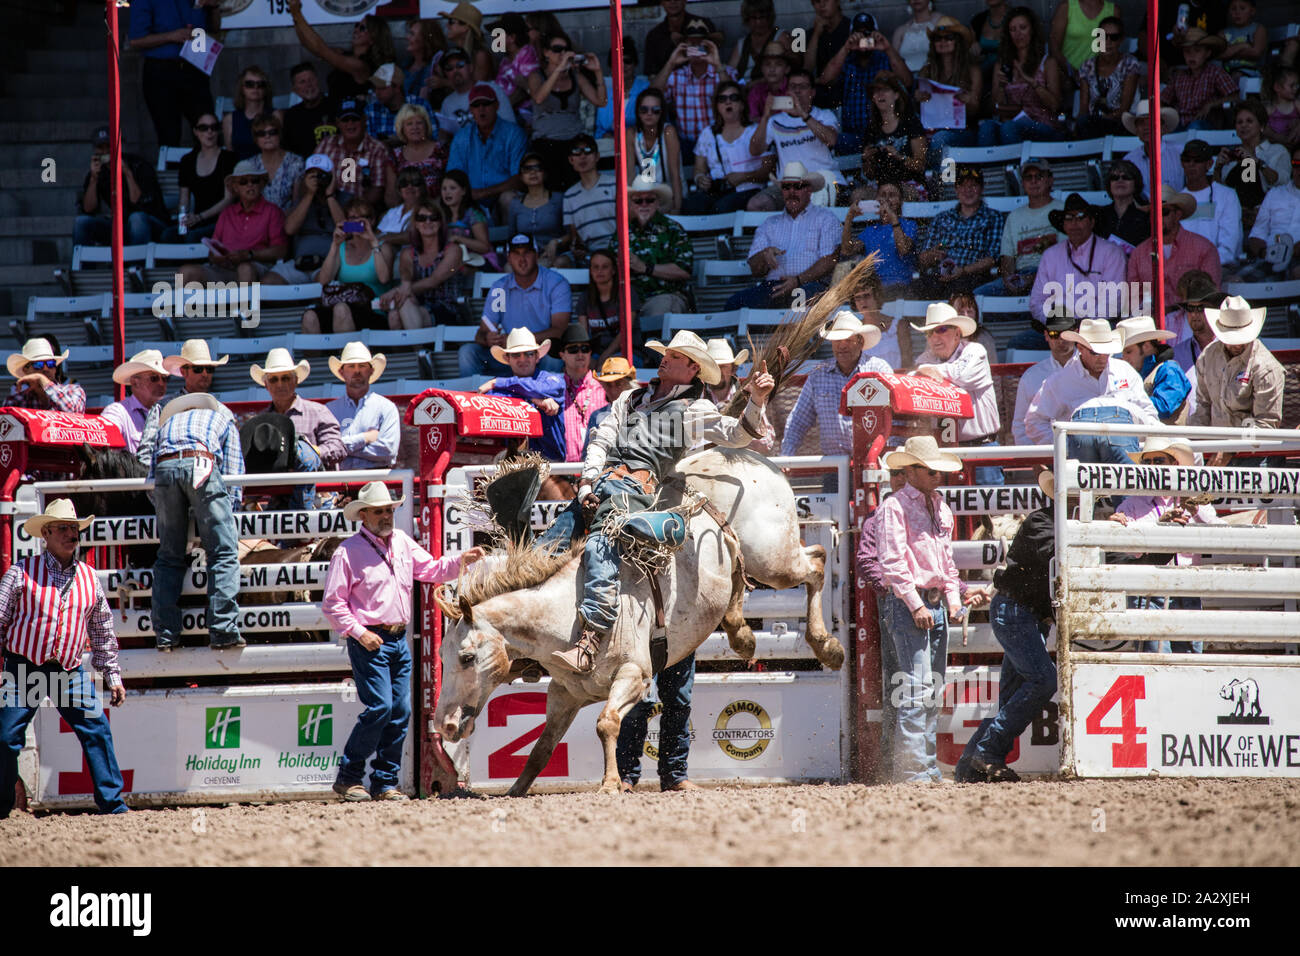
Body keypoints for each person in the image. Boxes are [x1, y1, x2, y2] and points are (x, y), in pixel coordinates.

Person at [546, 330, 775, 674]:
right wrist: (588, 481)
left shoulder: (695, 408)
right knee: (550, 542)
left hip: (637, 490)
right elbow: (602, 437)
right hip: (603, 482)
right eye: (666, 353)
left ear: (693, 369)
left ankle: (591, 638)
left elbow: (737, 435)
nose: (665, 358)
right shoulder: (631, 398)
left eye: (675, 356)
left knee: (600, 545)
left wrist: (756, 400)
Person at [323, 481, 484, 800]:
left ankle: (384, 782)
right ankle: (349, 776)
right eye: (379, 511)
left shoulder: (401, 543)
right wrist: (360, 632)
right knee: (382, 707)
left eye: (389, 510)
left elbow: (432, 569)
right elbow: (333, 603)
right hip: (370, 639)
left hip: (396, 640)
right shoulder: (347, 552)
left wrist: (461, 562)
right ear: (364, 515)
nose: (386, 516)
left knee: (399, 711)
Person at [0, 499, 129, 818]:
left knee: (96, 728)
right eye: (64, 528)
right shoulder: (21, 572)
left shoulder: (88, 577)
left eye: (74, 528)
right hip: (24, 668)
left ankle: (113, 803)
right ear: (46, 533)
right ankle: (1, 806)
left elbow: (102, 630)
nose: (72, 534)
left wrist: (112, 675)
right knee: (5, 737)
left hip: (68, 670)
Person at [876, 436, 987, 783]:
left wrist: (954, 602)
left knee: (929, 690)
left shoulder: (940, 506)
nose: (938, 475)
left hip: (934, 605)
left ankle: (922, 768)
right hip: (912, 605)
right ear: (911, 471)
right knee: (915, 690)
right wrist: (915, 603)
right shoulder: (893, 507)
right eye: (931, 469)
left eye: (938, 470)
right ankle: (913, 772)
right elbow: (892, 563)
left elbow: (947, 564)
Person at [954, 469, 1060, 783]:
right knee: (1044, 680)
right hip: (1017, 612)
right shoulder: (1042, 523)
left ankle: (969, 768)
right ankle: (986, 751)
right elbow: (1056, 553)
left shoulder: (1053, 524)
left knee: (1015, 693)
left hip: (1024, 615)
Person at [148, 392, 245, 652]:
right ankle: (223, 629)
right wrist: (227, 513)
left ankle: (165, 634)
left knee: (169, 556)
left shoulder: (166, 425)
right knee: (223, 552)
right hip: (201, 463)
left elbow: (150, 480)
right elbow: (234, 473)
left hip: (165, 470)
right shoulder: (221, 417)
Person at [1109, 438, 1218, 654]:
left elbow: (1217, 532)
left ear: (1174, 465)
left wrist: (1195, 512)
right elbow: (1128, 550)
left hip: (1186, 584)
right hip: (1149, 587)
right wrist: (1159, 525)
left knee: (1191, 658)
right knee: (1156, 659)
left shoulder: (1194, 499)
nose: (1152, 468)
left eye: (1158, 460)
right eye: (1146, 463)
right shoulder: (1131, 503)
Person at [1024, 318, 1159, 462]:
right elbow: (1035, 421)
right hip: (1095, 455)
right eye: (1096, 353)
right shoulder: (1060, 381)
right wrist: (1064, 447)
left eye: (1107, 352)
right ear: (1080, 348)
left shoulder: (1125, 371)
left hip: (1102, 454)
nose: (1102, 358)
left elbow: (1149, 413)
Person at [726, 162, 840, 310]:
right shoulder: (769, 224)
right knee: (734, 303)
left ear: (809, 190)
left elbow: (829, 260)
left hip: (806, 284)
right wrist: (764, 254)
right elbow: (754, 269)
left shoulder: (825, 218)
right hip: (773, 287)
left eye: (797, 187)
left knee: (799, 302)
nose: (791, 192)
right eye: (786, 187)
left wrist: (798, 280)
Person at [911, 303, 1003, 485]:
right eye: (930, 333)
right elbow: (913, 379)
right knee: (949, 511)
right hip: (945, 452)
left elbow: (962, 374)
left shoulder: (975, 351)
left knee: (989, 510)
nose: (935, 337)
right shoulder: (925, 359)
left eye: (941, 329)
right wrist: (927, 372)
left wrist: (929, 372)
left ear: (957, 333)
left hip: (982, 447)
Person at [781, 308, 892, 460]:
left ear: (860, 341)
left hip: (873, 460)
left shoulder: (879, 370)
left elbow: (894, 415)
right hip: (833, 464)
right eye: (837, 340)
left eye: (847, 339)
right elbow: (798, 420)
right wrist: (787, 453)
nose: (842, 345)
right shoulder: (818, 375)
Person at [461, 235, 570, 377]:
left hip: (539, 354)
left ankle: (549, 397)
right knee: (467, 353)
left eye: (527, 253)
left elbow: (559, 330)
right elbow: (480, 334)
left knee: (553, 358)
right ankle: (472, 398)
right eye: (516, 254)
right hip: (508, 357)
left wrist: (518, 342)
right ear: (508, 258)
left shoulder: (555, 284)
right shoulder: (500, 289)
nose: (522, 259)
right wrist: (488, 338)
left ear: (536, 255)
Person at [251, 348, 345, 505]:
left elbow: (338, 447)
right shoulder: (260, 421)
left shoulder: (318, 411)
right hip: (276, 500)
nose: (280, 384)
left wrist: (314, 452)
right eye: (274, 380)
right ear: (266, 385)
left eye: (285, 378)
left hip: (318, 498)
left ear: (295, 381)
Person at [180, 159, 288, 287]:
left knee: (245, 268)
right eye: (243, 182)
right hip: (225, 269)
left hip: (256, 267)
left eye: (254, 180)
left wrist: (250, 255)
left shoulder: (272, 211)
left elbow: (281, 250)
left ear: (261, 184)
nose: (250, 185)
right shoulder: (227, 213)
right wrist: (217, 258)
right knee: (185, 273)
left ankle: (243, 307)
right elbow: (212, 251)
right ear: (235, 188)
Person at [127, 0, 219, 148]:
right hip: (162, 70)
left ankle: (208, 168)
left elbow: (215, 27)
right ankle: (171, 169)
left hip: (195, 67)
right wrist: (170, 36)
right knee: (168, 133)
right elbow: (135, 40)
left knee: (206, 125)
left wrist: (214, 7)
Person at [1189, 295, 1285, 437]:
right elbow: (1203, 406)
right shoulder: (1208, 356)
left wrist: (1229, 450)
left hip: (1253, 453)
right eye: (1231, 339)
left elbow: (1265, 425)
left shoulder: (1266, 368)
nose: (1237, 344)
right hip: (1215, 446)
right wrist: (1194, 445)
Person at [821, 13, 914, 155]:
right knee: (839, 142)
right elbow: (825, 80)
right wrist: (846, 47)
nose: (863, 40)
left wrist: (887, 48)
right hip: (854, 135)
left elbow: (907, 81)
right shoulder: (846, 59)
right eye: (858, 34)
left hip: (885, 134)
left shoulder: (885, 57)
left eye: (867, 34)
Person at [1029, 192, 1127, 325]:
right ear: (1063, 225)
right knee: (1019, 342)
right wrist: (1057, 323)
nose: (1074, 223)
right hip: (1058, 329)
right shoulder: (1050, 255)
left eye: (1081, 217)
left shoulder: (1112, 253)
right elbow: (1037, 301)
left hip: (1098, 328)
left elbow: (1114, 300)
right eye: (1069, 218)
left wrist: (1083, 325)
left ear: (1092, 221)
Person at [749, 69, 842, 208]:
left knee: (819, 202)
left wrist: (803, 115)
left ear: (812, 92)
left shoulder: (824, 115)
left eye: (803, 87)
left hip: (824, 180)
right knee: (756, 204)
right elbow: (755, 150)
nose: (797, 91)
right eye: (793, 87)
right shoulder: (775, 121)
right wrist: (765, 116)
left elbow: (831, 140)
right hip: (787, 186)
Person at [300, 198, 394, 335]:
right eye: (353, 218)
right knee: (310, 317)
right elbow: (323, 280)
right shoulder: (342, 248)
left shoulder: (383, 247)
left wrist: (373, 242)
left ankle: (345, 356)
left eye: (363, 218)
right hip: (342, 306)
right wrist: (335, 245)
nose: (357, 222)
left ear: (372, 221)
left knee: (341, 310)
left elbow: (384, 278)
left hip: (373, 311)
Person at [288, 0, 398, 112]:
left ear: (373, 38)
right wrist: (294, 15)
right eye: (356, 25)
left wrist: (297, 13)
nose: (356, 30)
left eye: (362, 28)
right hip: (336, 118)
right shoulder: (345, 54)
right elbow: (309, 45)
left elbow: (321, 49)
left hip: (352, 122)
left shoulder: (361, 66)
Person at [528, 32, 605, 191]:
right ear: (546, 52)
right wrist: (558, 70)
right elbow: (539, 98)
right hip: (546, 142)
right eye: (557, 49)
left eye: (565, 49)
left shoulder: (575, 76)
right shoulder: (536, 76)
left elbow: (600, 101)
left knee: (576, 187)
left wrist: (597, 72)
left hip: (573, 143)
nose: (562, 54)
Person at [1127, 185, 1221, 312]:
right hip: (1153, 323)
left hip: (1191, 321)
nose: (1158, 218)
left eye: (1164, 212)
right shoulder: (1138, 254)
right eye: (1153, 213)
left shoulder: (1204, 248)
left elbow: (1211, 297)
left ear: (1178, 214)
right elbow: (1133, 300)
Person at [654, 19, 735, 165]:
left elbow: (735, 99)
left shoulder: (724, 72)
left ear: (710, 46)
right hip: (686, 145)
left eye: (701, 44)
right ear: (684, 46)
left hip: (719, 141)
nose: (696, 48)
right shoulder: (676, 75)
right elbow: (653, 96)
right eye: (691, 44)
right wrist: (671, 63)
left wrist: (717, 63)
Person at [976, 157, 1061, 297]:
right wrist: (1009, 280)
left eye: (1039, 176)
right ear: (1022, 183)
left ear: (1050, 180)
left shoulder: (1061, 209)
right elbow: (1007, 258)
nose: (1033, 181)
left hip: (1052, 276)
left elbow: (1066, 257)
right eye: (1028, 177)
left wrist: (1033, 278)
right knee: (976, 296)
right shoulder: (1014, 216)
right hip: (1020, 275)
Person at [479, 328, 567, 463]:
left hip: (552, 463)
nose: (523, 359)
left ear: (537, 357)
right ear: (508, 359)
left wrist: (499, 382)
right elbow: (493, 398)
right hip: (514, 461)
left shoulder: (554, 381)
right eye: (516, 355)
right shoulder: (498, 388)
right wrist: (534, 400)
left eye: (529, 354)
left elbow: (542, 388)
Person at [979, 6, 1064, 145]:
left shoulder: (1048, 63)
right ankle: (991, 166)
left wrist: (1032, 82)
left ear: (1032, 30)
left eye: (1023, 27)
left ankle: (1015, 165)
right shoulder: (1002, 65)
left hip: (1041, 124)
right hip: (1011, 122)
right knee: (986, 128)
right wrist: (1000, 87)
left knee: (1009, 128)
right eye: (1013, 30)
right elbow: (993, 107)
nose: (1018, 34)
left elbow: (1055, 105)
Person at [915, 166, 1004, 297]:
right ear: (956, 189)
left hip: (972, 276)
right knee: (918, 288)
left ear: (982, 189)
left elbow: (992, 259)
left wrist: (962, 271)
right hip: (939, 275)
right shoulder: (941, 218)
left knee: (958, 291)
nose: (968, 190)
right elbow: (922, 259)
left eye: (973, 185)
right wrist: (932, 255)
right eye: (962, 185)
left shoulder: (993, 217)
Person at [75, 126, 168, 248]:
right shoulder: (98, 172)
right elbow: (88, 209)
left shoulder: (138, 165)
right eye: (100, 147)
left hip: (151, 222)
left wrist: (126, 172)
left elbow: (138, 203)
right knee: (81, 222)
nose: (104, 152)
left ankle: (136, 265)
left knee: (136, 218)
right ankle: (84, 266)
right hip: (120, 225)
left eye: (108, 146)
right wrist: (93, 179)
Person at [446, 84, 527, 221]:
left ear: (497, 105)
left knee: (509, 199)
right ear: (471, 110)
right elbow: (453, 177)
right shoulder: (462, 137)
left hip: (501, 196)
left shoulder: (513, 133)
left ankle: (513, 242)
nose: (481, 109)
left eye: (486, 104)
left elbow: (519, 179)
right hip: (472, 199)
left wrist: (483, 193)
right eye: (476, 105)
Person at [381, 199, 465, 329]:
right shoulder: (408, 253)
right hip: (417, 306)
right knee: (394, 315)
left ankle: (418, 348)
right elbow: (406, 278)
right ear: (415, 224)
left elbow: (433, 281)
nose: (428, 222)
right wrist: (403, 290)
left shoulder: (453, 250)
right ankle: (416, 349)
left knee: (405, 305)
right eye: (422, 218)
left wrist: (396, 291)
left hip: (448, 309)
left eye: (433, 218)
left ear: (441, 222)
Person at [620, 174, 694, 319]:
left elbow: (684, 271)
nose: (644, 204)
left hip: (664, 297)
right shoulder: (621, 233)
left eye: (649, 200)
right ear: (631, 204)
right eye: (638, 200)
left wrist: (645, 267)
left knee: (663, 308)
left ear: (658, 203)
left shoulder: (673, 230)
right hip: (630, 302)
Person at [1216, 101, 1289, 235]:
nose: (1244, 125)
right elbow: (1220, 192)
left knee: (1248, 164)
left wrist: (1256, 161)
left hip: (1268, 215)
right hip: (1236, 216)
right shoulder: (1232, 156)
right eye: (1239, 122)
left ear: (1261, 126)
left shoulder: (1277, 151)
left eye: (1249, 121)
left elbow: (1281, 182)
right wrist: (1218, 168)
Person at [270, 154, 345, 285]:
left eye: (322, 174)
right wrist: (309, 194)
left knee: (323, 285)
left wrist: (330, 196)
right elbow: (289, 229)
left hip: (329, 263)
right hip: (300, 263)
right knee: (268, 283)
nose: (317, 179)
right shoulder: (301, 202)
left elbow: (347, 229)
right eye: (312, 175)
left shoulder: (346, 198)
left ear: (332, 175)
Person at [326, 342, 400, 473]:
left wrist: (343, 448)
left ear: (371, 371)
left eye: (362, 366)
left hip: (376, 482)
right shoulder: (329, 411)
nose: (357, 371)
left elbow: (388, 450)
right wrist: (365, 438)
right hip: (339, 484)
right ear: (341, 372)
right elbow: (326, 451)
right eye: (351, 366)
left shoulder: (386, 407)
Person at [162, 113, 236, 243]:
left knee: (193, 237)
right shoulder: (187, 161)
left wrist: (199, 217)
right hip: (198, 220)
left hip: (223, 221)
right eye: (204, 128)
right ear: (196, 131)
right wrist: (182, 226)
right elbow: (184, 200)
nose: (209, 132)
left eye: (214, 127)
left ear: (218, 131)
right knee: (167, 235)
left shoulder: (228, 159)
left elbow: (228, 200)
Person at [315, 98, 397, 211]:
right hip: (325, 209)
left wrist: (352, 212)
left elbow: (377, 190)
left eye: (355, 119)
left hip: (359, 213)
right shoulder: (326, 144)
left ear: (364, 120)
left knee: (353, 227)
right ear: (338, 123)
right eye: (345, 120)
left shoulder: (378, 149)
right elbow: (311, 179)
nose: (350, 124)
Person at [915, 16, 980, 158]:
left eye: (949, 38)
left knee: (940, 139)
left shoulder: (972, 70)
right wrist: (918, 98)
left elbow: (976, 108)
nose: (943, 42)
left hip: (963, 131)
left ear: (958, 41)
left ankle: (943, 179)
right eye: (938, 39)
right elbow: (919, 109)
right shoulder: (926, 71)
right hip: (932, 128)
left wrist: (967, 100)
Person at [840, 182, 917, 299]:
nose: (886, 200)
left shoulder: (909, 225)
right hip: (873, 290)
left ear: (900, 201)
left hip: (900, 288)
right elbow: (846, 251)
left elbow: (903, 249)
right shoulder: (870, 231)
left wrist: (893, 218)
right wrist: (849, 218)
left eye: (891, 195)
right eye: (883, 195)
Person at [551, 134, 617, 267]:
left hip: (616, 249)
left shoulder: (614, 184)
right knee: (561, 263)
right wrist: (578, 248)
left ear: (597, 156)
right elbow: (574, 235)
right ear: (571, 160)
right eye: (576, 152)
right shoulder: (570, 195)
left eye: (588, 151)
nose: (582, 156)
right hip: (589, 253)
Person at [859, 72, 927, 199]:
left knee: (899, 196)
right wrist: (867, 159)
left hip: (908, 183)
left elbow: (920, 165)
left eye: (885, 89)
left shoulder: (911, 123)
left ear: (896, 95)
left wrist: (899, 156)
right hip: (880, 185)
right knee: (858, 195)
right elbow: (869, 174)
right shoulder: (871, 129)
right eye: (876, 90)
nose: (880, 94)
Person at [1011, 314, 1077, 445]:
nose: (1060, 340)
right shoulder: (1031, 376)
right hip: (1045, 456)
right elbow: (1020, 425)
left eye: (1066, 334)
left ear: (1076, 334)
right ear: (1046, 336)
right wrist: (1034, 459)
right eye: (1054, 334)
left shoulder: (1091, 369)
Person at [1178, 139, 1243, 265]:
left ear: (1209, 164)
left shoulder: (1227, 195)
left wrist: (1203, 264)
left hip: (1219, 266)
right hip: (1183, 268)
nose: (1191, 164)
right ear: (1182, 163)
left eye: (1197, 160)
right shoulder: (1177, 199)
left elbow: (1229, 245)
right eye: (1187, 160)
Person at [1240, 145, 1300, 281]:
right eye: (1297, 164)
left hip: (1298, 260)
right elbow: (1257, 235)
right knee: (1236, 281)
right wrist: (1263, 252)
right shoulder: (1275, 194)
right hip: (1270, 257)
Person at [1117, 316, 1191, 425]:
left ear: (1146, 347)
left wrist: (1125, 400)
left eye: (1128, 352)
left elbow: (1164, 407)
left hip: (1171, 440)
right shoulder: (1133, 373)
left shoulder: (1169, 370)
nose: (1124, 358)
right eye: (1122, 353)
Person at [1075, 16, 1141, 138]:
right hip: (1091, 124)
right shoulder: (1087, 66)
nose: (1108, 41)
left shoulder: (1130, 63)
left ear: (1121, 40)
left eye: (1114, 37)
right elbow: (1083, 108)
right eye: (1103, 36)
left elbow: (1124, 110)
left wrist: (1102, 118)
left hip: (1120, 123)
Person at [706, 339, 776, 452]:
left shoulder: (749, 396)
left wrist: (739, 433)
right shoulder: (698, 398)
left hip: (739, 465)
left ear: (734, 369)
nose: (717, 372)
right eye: (712, 366)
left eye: (722, 366)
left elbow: (766, 443)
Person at [436, 47, 516, 140]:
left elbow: (510, 126)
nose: (455, 70)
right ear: (445, 74)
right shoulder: (447, 103)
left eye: (460, 65)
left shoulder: (491, 88)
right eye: (449, 68)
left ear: (470, 67)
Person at [1165, 29, 1237, 130]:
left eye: (1197, 51)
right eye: (1187, 51)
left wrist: (1212, 105)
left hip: (1205, 124)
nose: (1191, 56)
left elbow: (1234, 97)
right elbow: (1163, 100)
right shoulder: (1179, 76)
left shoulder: (1215, 72)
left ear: (1207, 53)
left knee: (1195, 127)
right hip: (1181, 123)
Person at [577, 250, 640, 367]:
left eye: (605, 267)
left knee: (609, 367)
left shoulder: (627, 293)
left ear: (614, 270)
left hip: (628, 353)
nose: (599, 271)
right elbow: (583, 335)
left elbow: (625, 332)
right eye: (595, 267)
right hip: (597, 353)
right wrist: (586, 357)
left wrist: (605, 356)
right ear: (590, 271)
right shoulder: (585, 297)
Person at [556, 325, 608, 463]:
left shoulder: (605, 388)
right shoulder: (553, 390)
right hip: (562, 473)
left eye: (585, 349)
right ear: (562, 355)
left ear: (590, 353)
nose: (580, 354)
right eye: (573, 349)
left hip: (598, 470)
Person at [627, 87, 683, 213]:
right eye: (644, 109)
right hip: (647, 197)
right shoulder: (631, 133)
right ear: (637, 111)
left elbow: (675, 175)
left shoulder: (668, 132)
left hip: (670, 194)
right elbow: (629, 175)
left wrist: (677, 208)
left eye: (655, 110)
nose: (649, 113)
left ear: (662, 112)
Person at [101, 350, 169, 454]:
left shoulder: (170, 411)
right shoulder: (118, 412)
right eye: (154, 378)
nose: (161, 383)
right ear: (135, 382)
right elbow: (105, 445)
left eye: (164, 379)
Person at [644, 0, 722, 80]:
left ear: (685, 1)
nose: (673, 1)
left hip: (704, 81)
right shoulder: (654, 36)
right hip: (666, 87)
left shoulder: (703, 25)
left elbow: (713, 59)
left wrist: (692, 52)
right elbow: (652, 74)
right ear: (661, 2)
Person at [1120, 98, 1185, 193]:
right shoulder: (1129, 160)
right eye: (1141, 123)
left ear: (1163, 128)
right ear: (1136, 130)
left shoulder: (1180, 153)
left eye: (1151, 122)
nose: (1146, 127)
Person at [5, 337, 85, 413]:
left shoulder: (72, 391)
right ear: (26, 370)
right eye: (38, 364)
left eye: (50, 364)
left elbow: (72, 414)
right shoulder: (16, 401)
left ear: (55, 369)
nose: (46, 369)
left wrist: (42, 379)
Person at [439, 169, 496, 274]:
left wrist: (458, 239)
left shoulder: (473, 214)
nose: (447, 192)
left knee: (455, 271)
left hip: (477, 261)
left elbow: (484, 247)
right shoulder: (439, 215)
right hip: (450, 261)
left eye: (452, 188)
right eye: (444, 189)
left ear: (464, 191)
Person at [222, 66, 282, 162]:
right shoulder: (229, 119)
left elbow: (279, 149)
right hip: (239, 171)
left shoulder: (275, 115)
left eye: (260, 84)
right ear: (242, 88)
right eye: (250, 84)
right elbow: (230, 154)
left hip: (268, 169)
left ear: (266, 89)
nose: (255, 88)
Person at [247, 113, 304, 215]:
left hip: (287, 222)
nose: (267, 136)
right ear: (256, 139)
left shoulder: (296, 162)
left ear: (280, 135)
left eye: (272, 132)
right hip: (256, 222)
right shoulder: (250, 165)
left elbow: (297, 203)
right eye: (261, 133)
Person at [365, 63, 435, 145]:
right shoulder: (371, 110)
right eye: (375, 88)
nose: (377, 92)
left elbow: (433, 136)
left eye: (382, 88)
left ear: (397, 88)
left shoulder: (420, 105)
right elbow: (369, 144)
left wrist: (402, 140)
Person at [508, 153, 565, 253]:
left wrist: (557, 242)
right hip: (525, 256)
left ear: (545, 173)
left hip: (555, 254)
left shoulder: (559, 199)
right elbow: (512, 236)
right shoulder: (515, 204)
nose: (533, 172)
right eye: (527, 169)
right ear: (521, 177)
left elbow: (571, 233)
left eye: (538, 168)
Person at [1047, 0, 1114, 82]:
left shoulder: (1113, 10)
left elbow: (1113, 49)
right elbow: (1053, 47)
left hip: (1097, 78)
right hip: (1067, 76)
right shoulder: (1066, 7)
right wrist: (1072, 73)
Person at [1094, 158, 1150, 254]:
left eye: (1126, 177)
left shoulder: (1146, 216)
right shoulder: (1099, 215)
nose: (1120, 180)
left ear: (1136, 183)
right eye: (1114, 178)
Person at [390, 104, 446, 199]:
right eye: (409, 124)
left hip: (438, 206)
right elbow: (391, 194)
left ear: (426, 125)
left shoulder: (441, 149)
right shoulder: (395, 155)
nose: (415, 127)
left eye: (419, 123)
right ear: (402, 129)